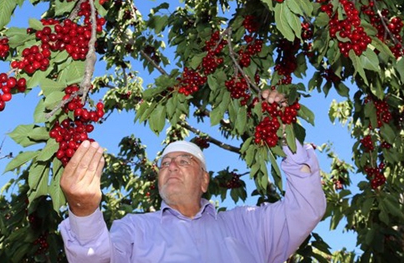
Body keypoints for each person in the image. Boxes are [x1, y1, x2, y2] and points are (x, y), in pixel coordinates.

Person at [58, 89, 327, 262]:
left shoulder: (248, 226)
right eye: (165, 163)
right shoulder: (134, 229)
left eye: (184, 161)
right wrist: (84, 212)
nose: (172, 166)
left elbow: (306, 209)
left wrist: (284, 135)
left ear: (204, 180)